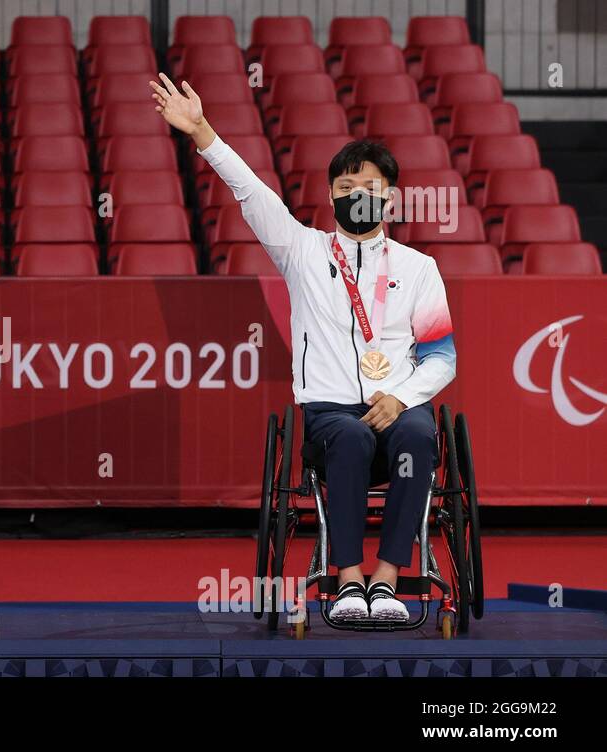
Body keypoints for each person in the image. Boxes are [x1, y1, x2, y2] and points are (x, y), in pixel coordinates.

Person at [150, 73, 457, 622]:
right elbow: (251, 192)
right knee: (351, 439)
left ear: (389, 195)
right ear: (330, 196)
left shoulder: (419, 269)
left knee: (417, 436)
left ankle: (385, 580)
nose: (354, 198)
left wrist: (402, 397)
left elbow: (441, 357)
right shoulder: (302, 250)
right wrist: (201, 131)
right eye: (343, 190)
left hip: (400, 406)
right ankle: (347, 583)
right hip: (331, 412)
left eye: (366, 189)